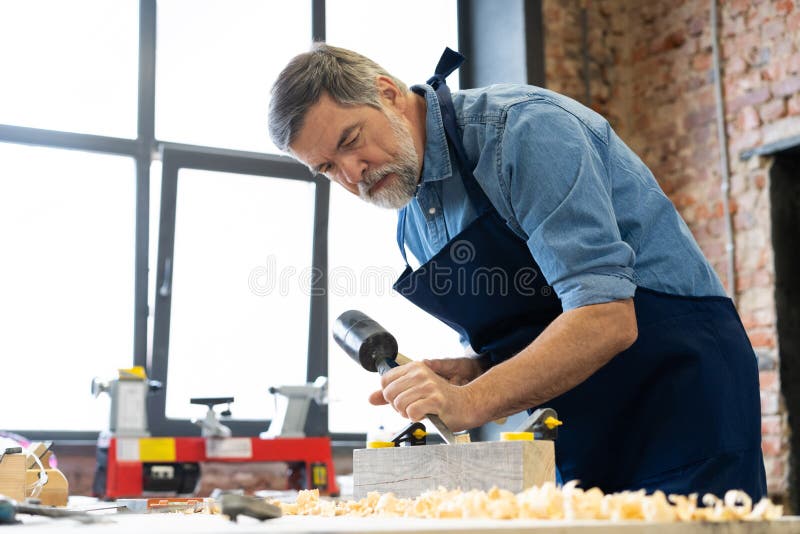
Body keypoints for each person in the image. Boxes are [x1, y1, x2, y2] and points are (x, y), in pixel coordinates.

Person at [268, 44, 767, 498]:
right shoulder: (413, 220)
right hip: (581, 428)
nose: (352, 174)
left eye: (351, 140)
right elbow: (533, 325)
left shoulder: (522, 130)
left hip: (678, 394)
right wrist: (475, 372)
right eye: (327, 168)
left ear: (387, 93)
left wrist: (470, 402)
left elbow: (607, 317)